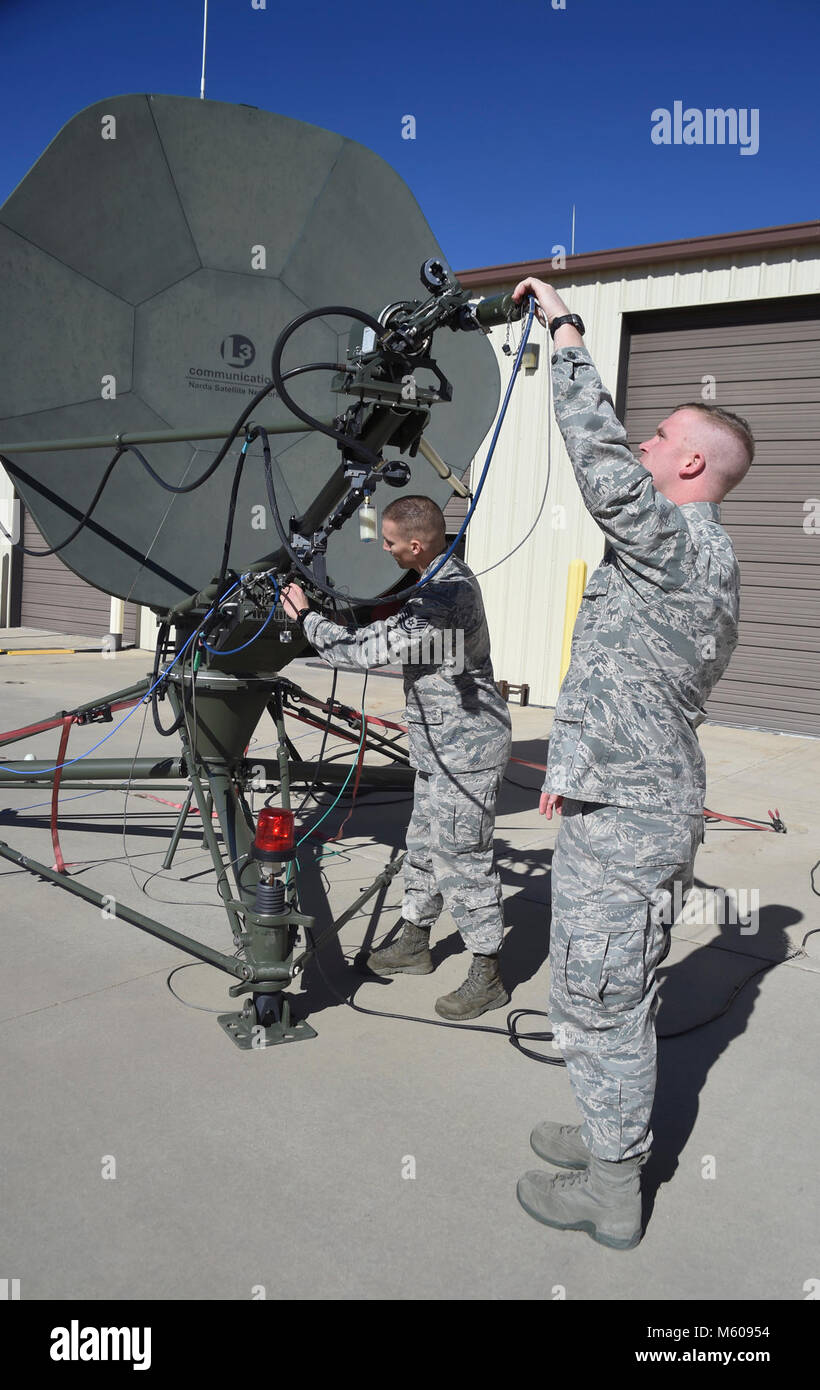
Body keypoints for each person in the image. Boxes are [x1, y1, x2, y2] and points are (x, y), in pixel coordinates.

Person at [511, 278, 752, 1250]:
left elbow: (602, 465)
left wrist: (566, 338)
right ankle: (609, 1129)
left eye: (658, 436)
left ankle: (614, 1187)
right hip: (624, 798)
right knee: (610, 989)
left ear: (689, 461)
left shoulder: (681, 545)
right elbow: (631, 681)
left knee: (601, 1001)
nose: (643, 444)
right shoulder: (692, 557)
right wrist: (570, 767)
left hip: (632, 819)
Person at [280, 494, 513, 1020]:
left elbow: (363, 652)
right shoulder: (435, 577)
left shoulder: (444, 596)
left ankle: (488, 969)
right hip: (439, 745)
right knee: (425, 845)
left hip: (466, 750)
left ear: (414, 544)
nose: (382, 549)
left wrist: (306, 619)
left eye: (387, 541)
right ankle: (414, 940)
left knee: (464, 857)